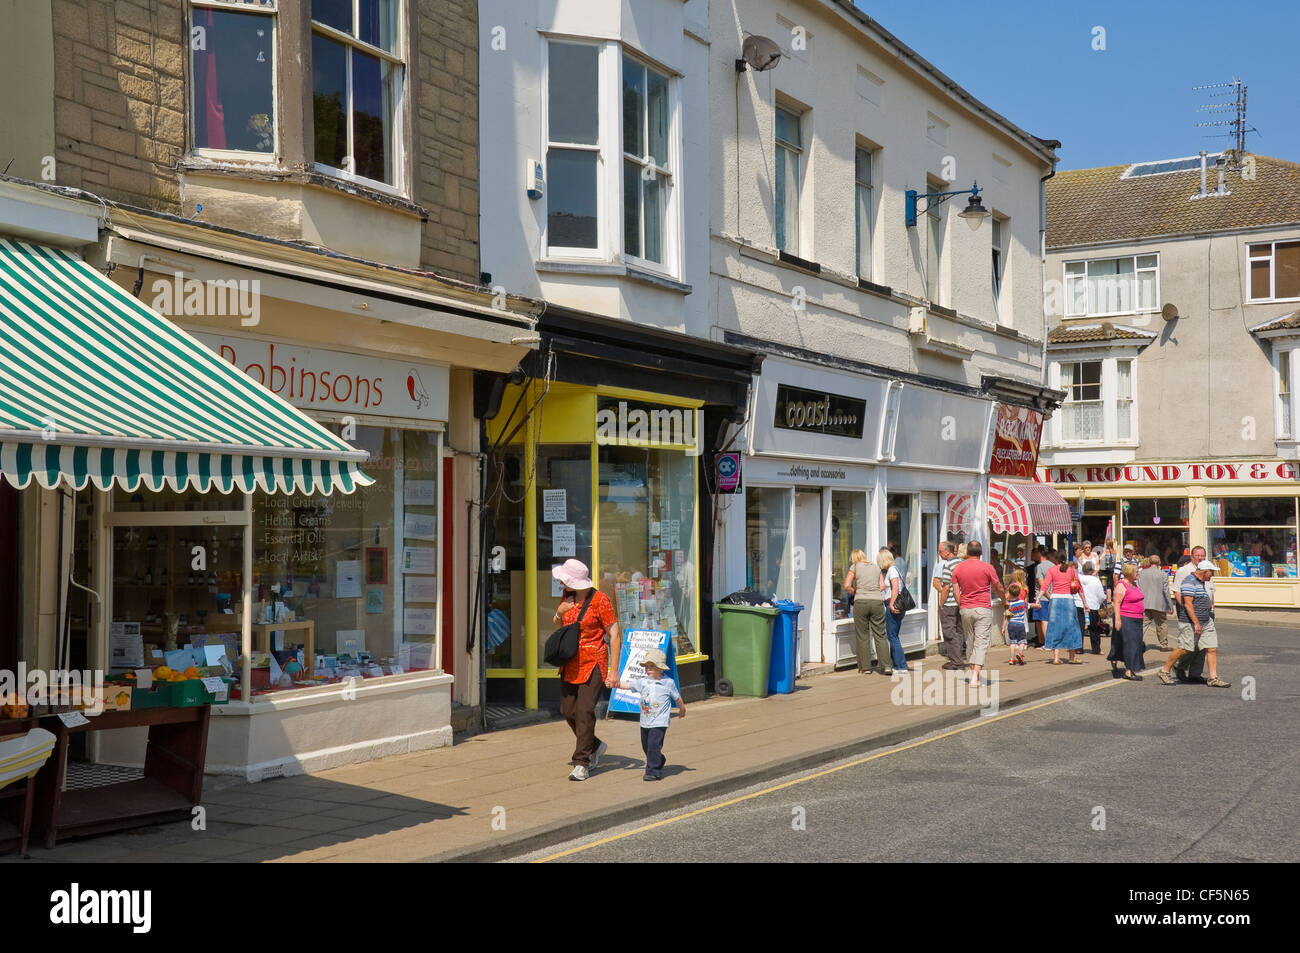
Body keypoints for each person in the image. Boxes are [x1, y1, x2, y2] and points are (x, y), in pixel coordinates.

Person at [552, 559, 621, 781]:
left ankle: (582, 762)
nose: (562, 581)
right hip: (570, 662)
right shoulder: (567, 595)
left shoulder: (601, 600)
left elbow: (614, 635)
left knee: (584, 711)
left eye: (565, 578)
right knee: (568, 710)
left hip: (594, 663)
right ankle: (595, 745)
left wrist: (614, 671)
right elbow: (559, 624)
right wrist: (559, 613)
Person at [607, 648, 684, 781]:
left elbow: (677, 698)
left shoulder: (668, 683)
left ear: (660, 668)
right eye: (646, 666)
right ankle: (658, 759)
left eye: (651, 666)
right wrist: (616, 684)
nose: (647, 669)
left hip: (660, 721)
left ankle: (653, 771)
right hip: (645, 720)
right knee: (646, 746)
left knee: (654, 744)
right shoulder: (643, 681)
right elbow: (628, 685)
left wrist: (682, 708)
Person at [1159, 561, 1230, 687]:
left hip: (1206, 621)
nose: (1212, 575)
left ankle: (1213, 678)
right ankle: (1165, 671)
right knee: (1184, 648)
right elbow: (1188, 603)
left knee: (1212, 647)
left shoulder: (1202, 582)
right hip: (1190, 622)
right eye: (1211, 572)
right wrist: (1196, 623)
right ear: (1205, 571)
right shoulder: (1189, 581)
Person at [950, 540, 1005, 687]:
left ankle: (973, 669)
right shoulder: (987, 568)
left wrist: (961, 605)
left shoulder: (958, 568)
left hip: (966, 609)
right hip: (983, 608)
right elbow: (998, 586)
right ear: (981, 553)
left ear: (967, 552)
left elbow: (955, 591)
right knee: (981, 642)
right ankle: (975, 676)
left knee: (969, 641)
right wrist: (1004, 600)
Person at [845, 548, 888, 674]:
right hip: (877, 602)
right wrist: (873, 592)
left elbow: (847, 585)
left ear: (854, 559)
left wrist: (855, 592)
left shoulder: (855, 567)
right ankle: (886, 665)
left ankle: (866, 668)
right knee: (880, 634)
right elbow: (882, 586)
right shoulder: (875, 567)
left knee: (863, 635)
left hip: (861, 602)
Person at [1038, 548, 1083, 665]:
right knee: (1071, 627)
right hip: (1068, 600)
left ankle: (1056, 658)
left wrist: (1038, 598)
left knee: (1054, 627)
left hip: (1055, 600)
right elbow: (1079, 587)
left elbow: (1045, 586)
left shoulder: (1052, 570)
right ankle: (1072, 657)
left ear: (1056, 559)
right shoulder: (1072, 570)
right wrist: (1085, 602)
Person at [1110, 562, 1146, 680]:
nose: (1138, 574)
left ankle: (1131, 668)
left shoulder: (1134, 584)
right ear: (1130, 573)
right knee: (1131, 645)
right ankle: (1128, 671)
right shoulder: (1121, 586)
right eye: (1136, 572)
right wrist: (1118, 620)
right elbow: (1116, 603)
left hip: (1137, 619)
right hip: (1127, 618)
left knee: (1137, 644)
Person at [932, 540, 965, 669]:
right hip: (961, 603)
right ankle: (958, 658)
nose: (939, 554)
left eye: (940, 551)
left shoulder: (948, 565)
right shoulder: (962, 563)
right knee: (958, 632)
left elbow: (946, 587)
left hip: (950, 603)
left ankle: (956, 661)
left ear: (947, 552)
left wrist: (941, 603)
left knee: (949, 632)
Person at [878, 548, 910, 672]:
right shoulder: (894, 569)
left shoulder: (892, 570)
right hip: (898, 604)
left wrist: (891, 604)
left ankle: (901, 665)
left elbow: (895, 588)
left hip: (894, 605)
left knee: (892, 636)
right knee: (893, 635)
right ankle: (896, 664)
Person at [1137, 554, 1173, 651]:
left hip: (1144, 602)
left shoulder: (1141, 573)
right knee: (1161, 624)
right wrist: (1170, 605)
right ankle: (1163, 645)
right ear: (1159, 563)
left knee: (1143, 624)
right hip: (1159, 603)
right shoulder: (1163, 574)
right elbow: (1166, 591)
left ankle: (1138, 643)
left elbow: (1138, 588)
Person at [1079, 561, 1107, 655]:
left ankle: (1079, 648)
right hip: (1093, 607)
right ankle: (1096, 649)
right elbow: (1101, 596)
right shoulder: (1096, 580)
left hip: (1080, 606)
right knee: (1094, 629)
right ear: (1092, 570)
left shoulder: (1079, 578)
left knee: (1080, 628)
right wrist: (1100, 602)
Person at [1002, 581, 1029, 665]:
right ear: (1019, 593)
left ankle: (1011, 659)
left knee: (1012, 642)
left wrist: (1003, 627)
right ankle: (1020, 654)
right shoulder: (1022, 602)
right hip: (1021, 625)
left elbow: (1006, 617)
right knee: (1022, 642)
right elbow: (1030, 606)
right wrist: (1037, 605)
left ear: (1009, 593)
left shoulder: (1009, 605)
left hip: (1011, 625)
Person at [1033, 547, 1053, 647]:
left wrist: (1049, 597)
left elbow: (1042, 584)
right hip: (1051, 596)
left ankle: (1047, 643)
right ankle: (1042, 642)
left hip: (1042, 598)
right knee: (1044, 620)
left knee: (1043, 620)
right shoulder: (1053, 565)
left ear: (1040, 554)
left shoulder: (1039, 567)